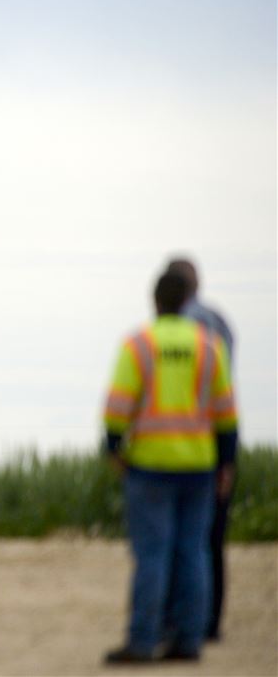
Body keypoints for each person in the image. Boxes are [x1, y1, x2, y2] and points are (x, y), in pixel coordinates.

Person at [102, 271, 238, 665]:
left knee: (152, 555)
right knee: (193, 552)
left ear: (155, 300)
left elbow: (117, 407)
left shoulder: (139, 344)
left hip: (150, 465)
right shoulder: (210, 346)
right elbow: (226, 413)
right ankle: (189, 640)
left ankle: (143, 640)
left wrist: (113, 447)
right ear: (187, 300)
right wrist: (226, 461)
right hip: (199, 464)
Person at [165, 257, 236, 641]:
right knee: (212, 541)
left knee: (181, 543)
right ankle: (210, 623)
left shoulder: (180, 329)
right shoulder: (220, 322)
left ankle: (181, 621)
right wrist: (228, 455)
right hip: (214, 441)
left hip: (178, 447)